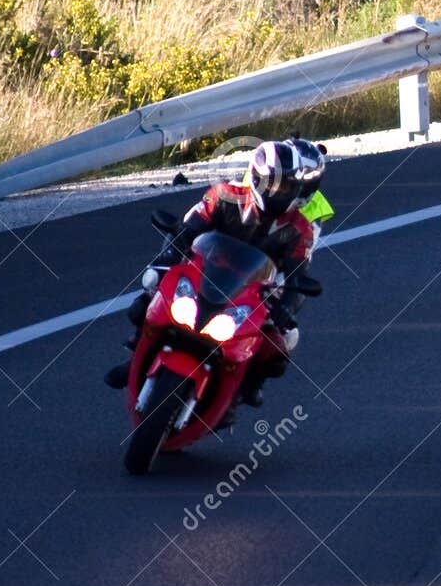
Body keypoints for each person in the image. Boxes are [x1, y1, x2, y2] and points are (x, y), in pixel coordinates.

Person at [104, 138, 325, 413]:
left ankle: (247, 386)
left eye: (285, 186)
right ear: (255, 176)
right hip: (205, 273)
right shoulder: (224, 195)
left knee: (284, 341)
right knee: (147, 290)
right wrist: (169, 256)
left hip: (251, 291)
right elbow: (189, 228)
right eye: (272, 182)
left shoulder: (299, 229)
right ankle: (137, 354)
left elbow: (296, 274)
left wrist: (286, 309)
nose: (276, 191)